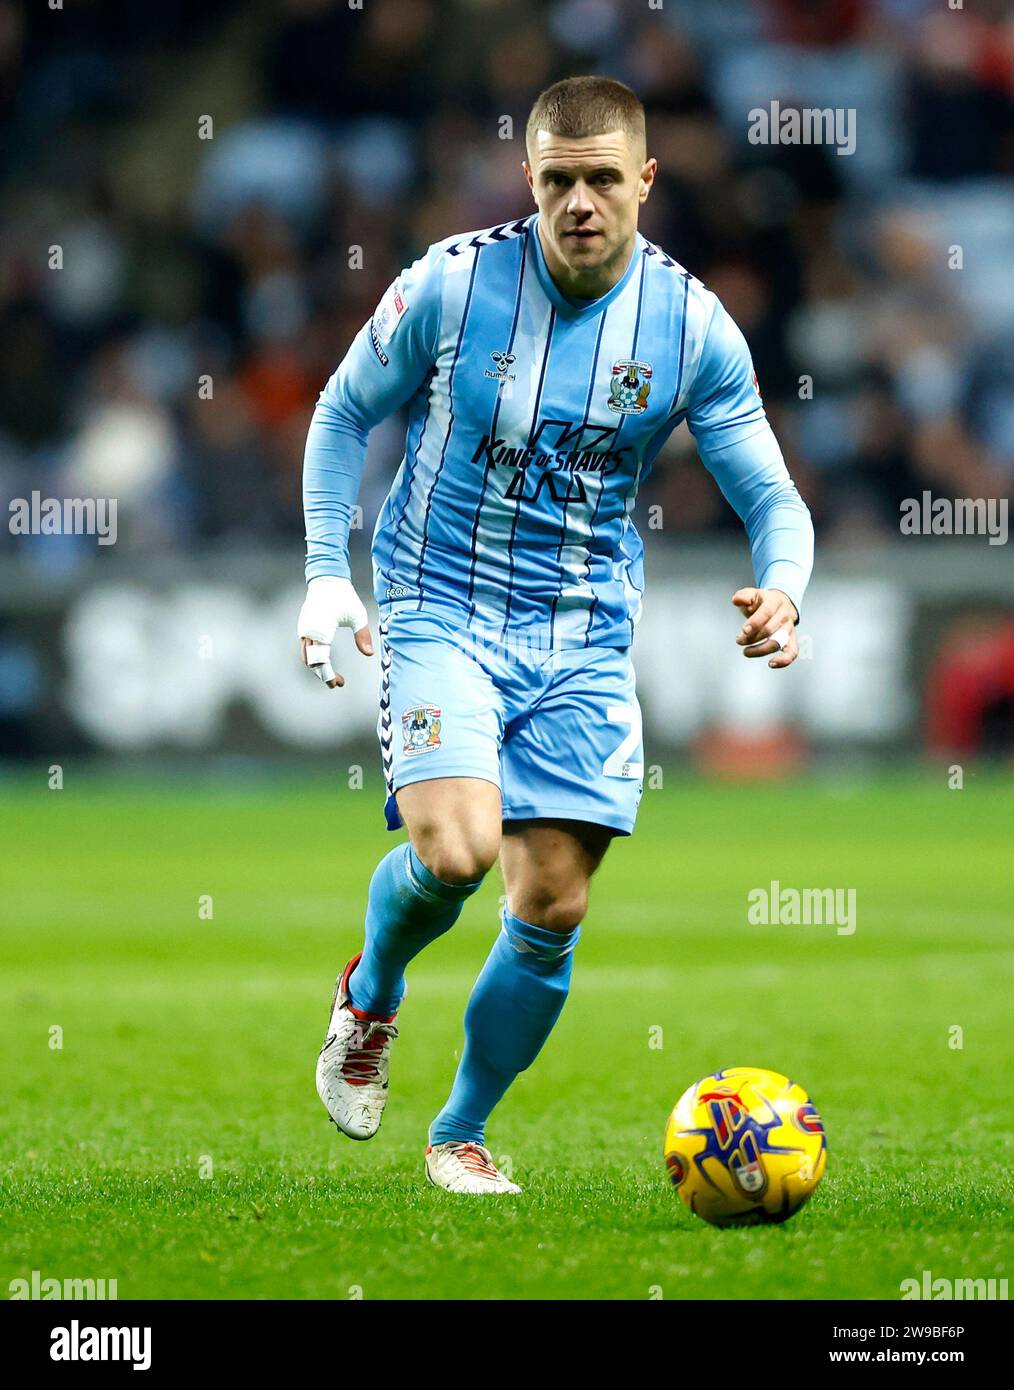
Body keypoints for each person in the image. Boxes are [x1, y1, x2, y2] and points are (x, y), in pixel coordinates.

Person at [298, 76, 814, 1194]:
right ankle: (373, 990)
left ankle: (460, 1131)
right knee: (458, 851)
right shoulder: (450, 283)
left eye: (602, 179)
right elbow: (344, 411)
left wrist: (783, 585)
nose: (580, 202)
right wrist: (323, 573)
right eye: (557, 179)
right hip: (439, 601)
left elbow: (773, 496)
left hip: (582, 632)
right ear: (528, 178)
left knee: (553, 900)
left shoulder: (691, 328)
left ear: (646, 181)